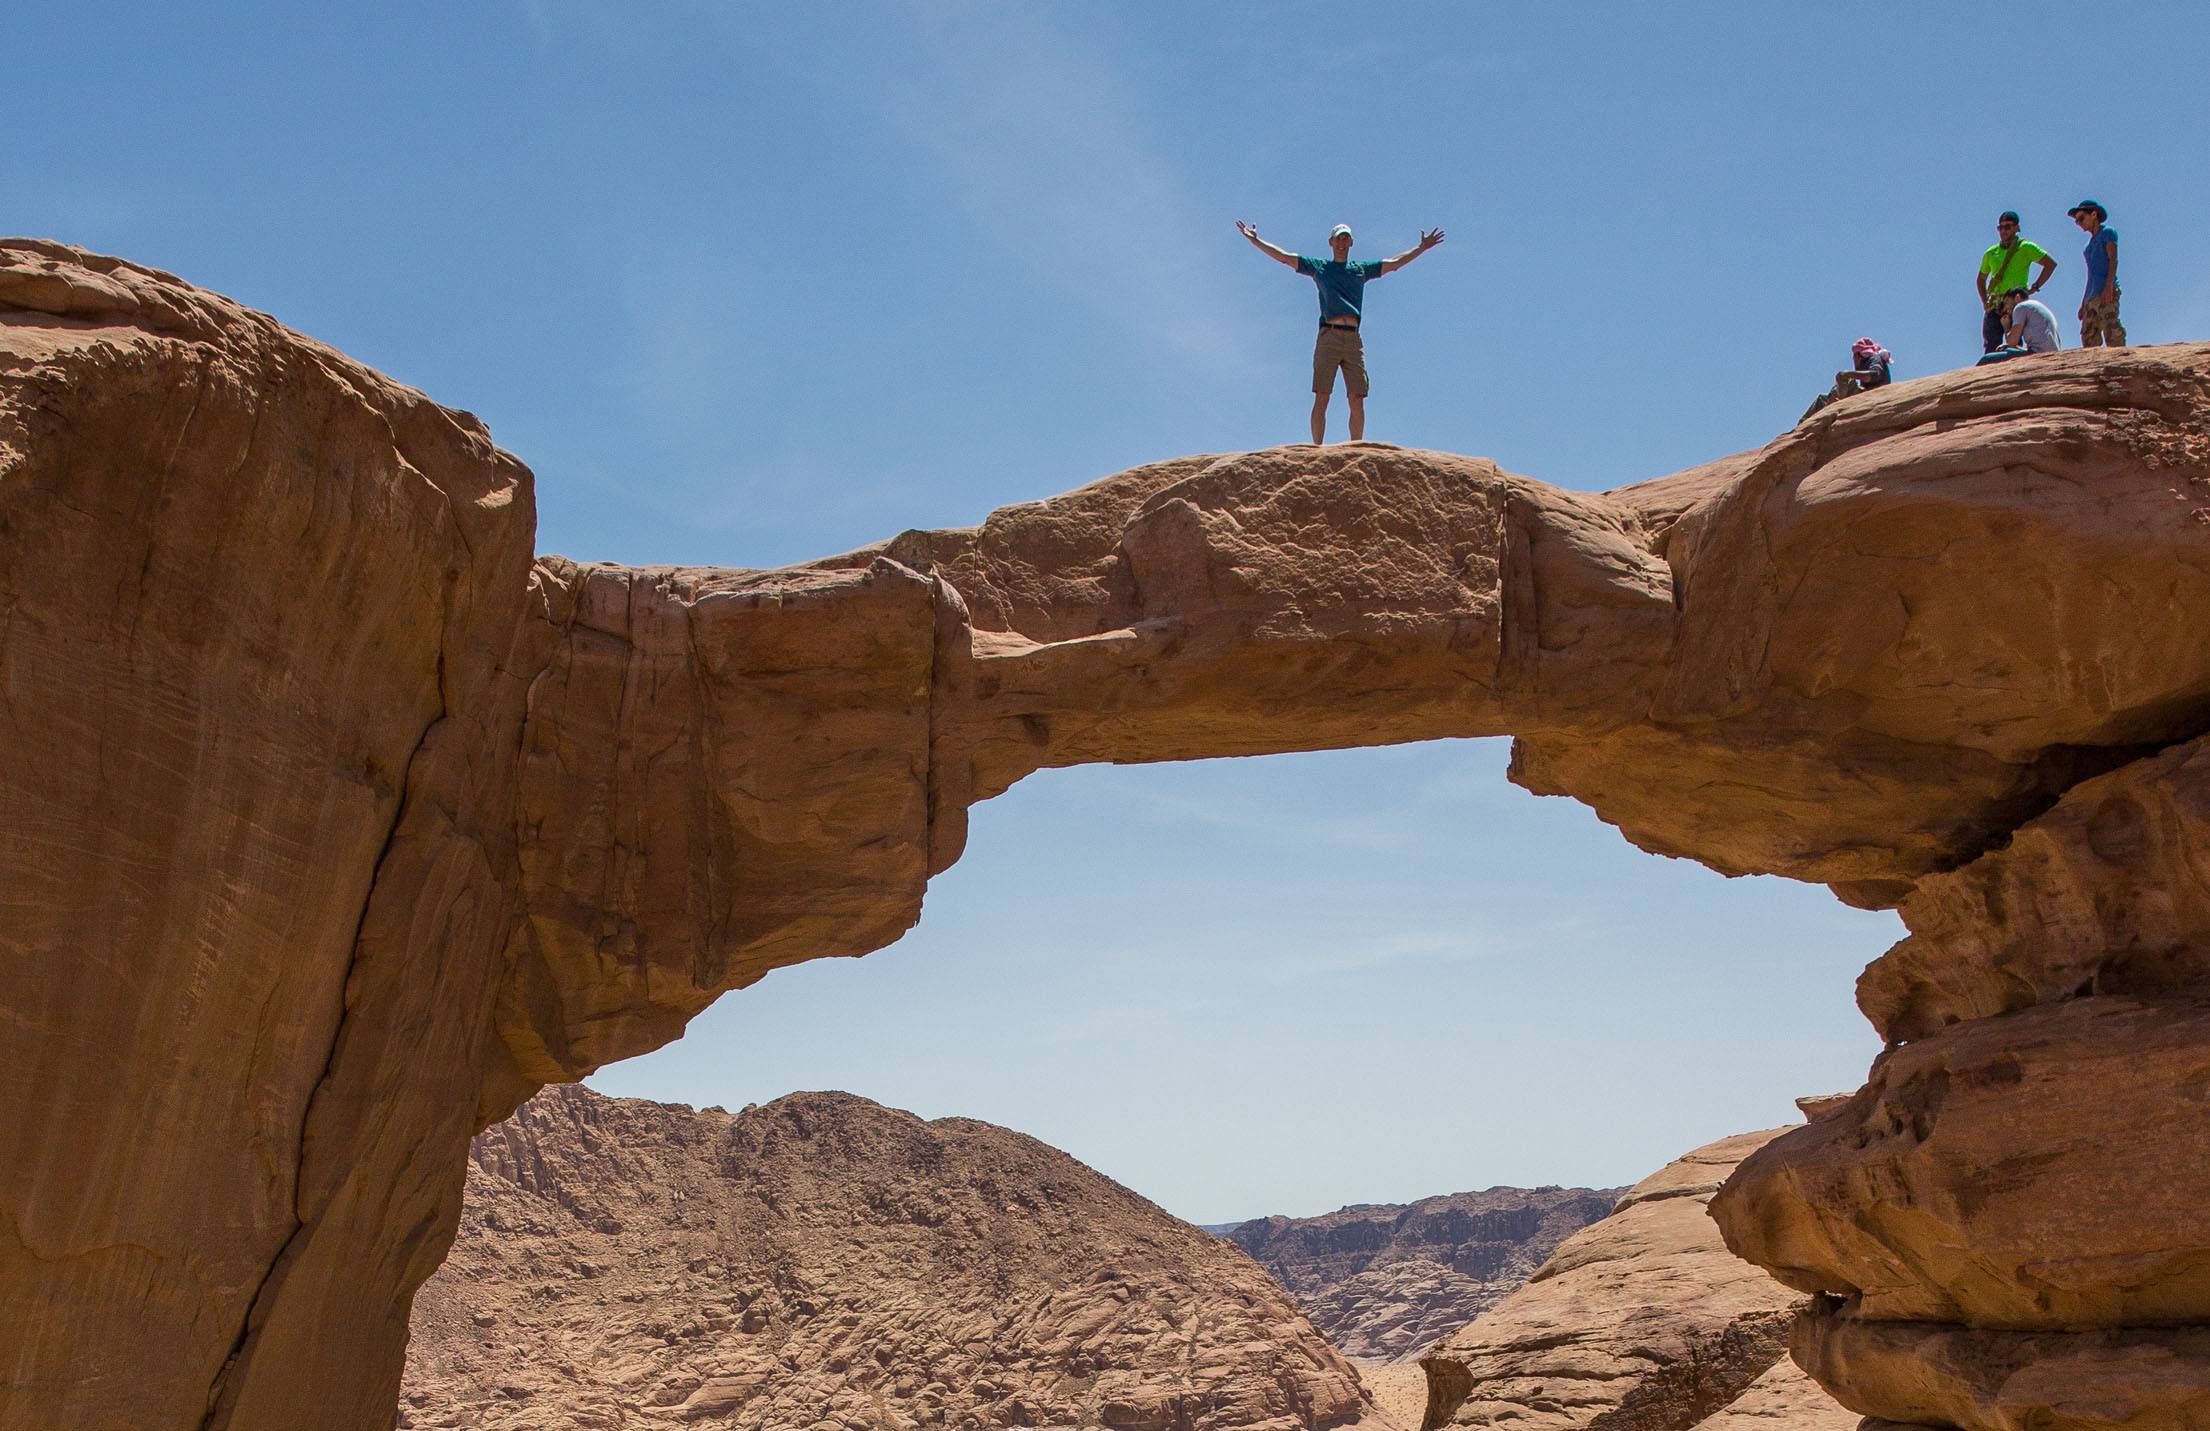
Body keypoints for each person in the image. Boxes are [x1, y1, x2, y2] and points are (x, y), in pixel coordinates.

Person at [1236, 219, 1444, 443]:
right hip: (1329, 335)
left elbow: (1394, 263)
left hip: (1353, 338)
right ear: (1331, 242)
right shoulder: (1320, 268)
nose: (1342, 243)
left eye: (1346, 239)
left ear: (1351, 242)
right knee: (1322, 395)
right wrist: (1256, 241)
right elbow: (1285, 258)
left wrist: (1421, 248)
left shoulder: (1360, 270)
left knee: (1357, 397)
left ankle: (1356, 448)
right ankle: (1317, 449)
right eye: (1338, 239)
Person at [1977, 211, 2057, 354]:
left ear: (2016, 228)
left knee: (2015, 343)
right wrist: (1985, 302)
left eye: (2007, 227)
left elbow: (2050, 264)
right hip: (1995, 303)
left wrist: (2035, 286)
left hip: (2015, 303)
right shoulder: (1991, 252)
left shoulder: (2025, 247)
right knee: (1991, 344)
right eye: (2000, 228)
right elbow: (1981, 279)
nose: (2003, 231)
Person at [2069, 199, 2125, 347]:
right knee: (2088, 335)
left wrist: (2109, 286)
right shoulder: (2088, 247)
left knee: (2111, 328)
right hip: (2091, 295)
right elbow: (2091, 275)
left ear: (2094, 214)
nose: (2079, 223)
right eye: (2077, 221)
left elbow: (2113, 259)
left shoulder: (2107, 233)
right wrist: (2083, 302)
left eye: (2081, 218)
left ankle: (2120, 357)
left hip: (2106, 290)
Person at [1799, 337, 1893, 423]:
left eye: (1854, 356)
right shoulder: (1867, 363)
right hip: (1867, 395)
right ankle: (1803, 423)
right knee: (1822, 398)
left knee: (1846, 380)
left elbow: (1874, 374)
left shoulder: (1874, 359)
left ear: (1858, 355)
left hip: (1873, 396)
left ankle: (1838, 404)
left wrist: (1848, 374)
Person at [1975, 287, 2061, 364]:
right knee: (2006, 349)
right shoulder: (2036, 306)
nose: (2005, 309)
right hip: (2052, 353)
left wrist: (2006, 326)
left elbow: (2012, 342)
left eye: (2007, 303)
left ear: (2017, 297)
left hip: (2038, 354)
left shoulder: (2020, 307)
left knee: (1986, 359)